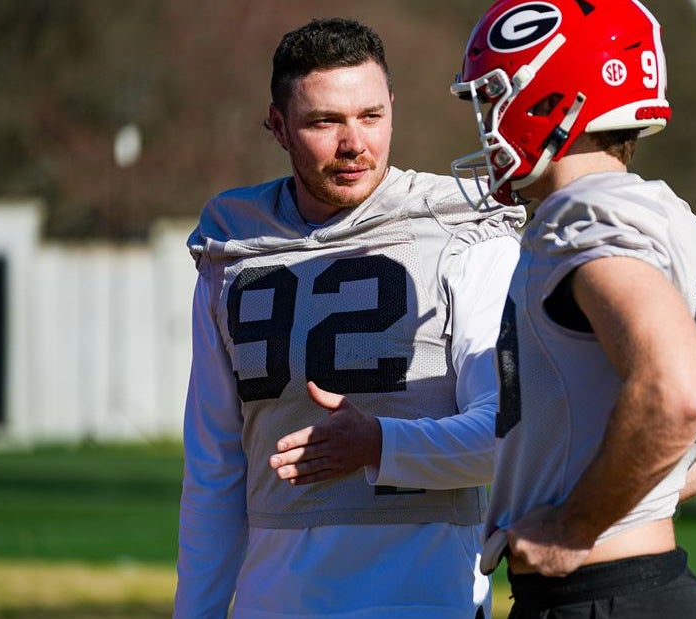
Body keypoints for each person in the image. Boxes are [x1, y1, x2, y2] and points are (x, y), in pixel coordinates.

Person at [175, 18, 523, 618]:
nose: (353, 143)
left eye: (370, 115)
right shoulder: (233, 242)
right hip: (274, 602)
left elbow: (511, 436)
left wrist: (379, 442)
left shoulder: (462, 228)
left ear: (394, 108)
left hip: (423, 599)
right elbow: (214, 469)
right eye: (323, 122)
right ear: (278, 126)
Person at [449, 1, 696, 616]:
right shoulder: (662, 213)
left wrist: (576, 525)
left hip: (596, 596)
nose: (485, 120)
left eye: (494, 96)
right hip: (653, 587)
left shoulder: (583, 217)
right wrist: (633, 495)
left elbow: (678, 388)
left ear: (551, 95)